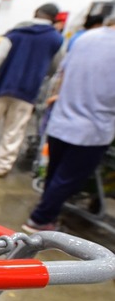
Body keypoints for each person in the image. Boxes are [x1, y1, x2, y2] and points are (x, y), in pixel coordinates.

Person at [22, 18, 115, 233]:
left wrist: (58, 97)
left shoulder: (84, 39)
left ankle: (46, 212)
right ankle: (40, 219)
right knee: (67, 179)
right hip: (93, 128)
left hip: (61, 120)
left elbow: (61, 75)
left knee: (55, 175)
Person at [0, 3, 64, 177]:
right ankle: (2, 166)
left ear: (35, 12)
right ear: (54, 18)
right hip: (28, 90)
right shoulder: (55, 39)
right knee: (14, 129)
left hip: (2, 85)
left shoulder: (16, 33)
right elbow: (56, 66)